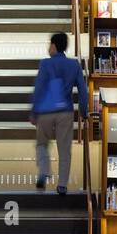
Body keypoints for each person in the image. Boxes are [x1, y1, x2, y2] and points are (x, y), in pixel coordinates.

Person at [29, 31, 88, 194]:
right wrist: (84, 111)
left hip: (46, 111)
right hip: (66, 112)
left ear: (54, 46)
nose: (49, 47)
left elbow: (39, 87)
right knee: (64, 149)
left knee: (41, 144)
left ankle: (44, 172)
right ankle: (62, 184)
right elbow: (83, 91)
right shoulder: (74, 65)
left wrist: (34, 111)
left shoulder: (45, 64)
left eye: (50, 44)